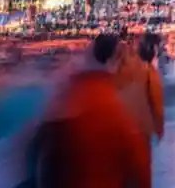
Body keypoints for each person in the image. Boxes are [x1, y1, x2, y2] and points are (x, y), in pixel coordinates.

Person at [33, 33, 151, 188]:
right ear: (113, 62)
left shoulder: (64, 97)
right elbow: (140, 171)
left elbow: (41, 157)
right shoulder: (117, 110)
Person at [114, 36, 166, 156]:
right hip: (140, 131)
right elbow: (156, 103)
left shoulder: (121, 68)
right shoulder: (149, 72)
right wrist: (159, 130)